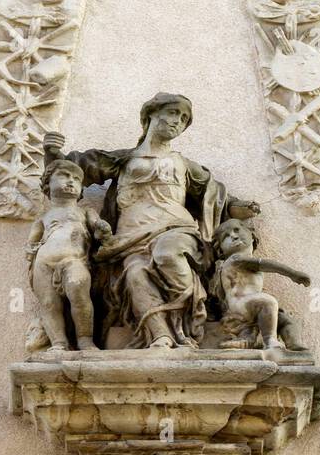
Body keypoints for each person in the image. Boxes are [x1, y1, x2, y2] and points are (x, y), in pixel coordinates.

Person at [43, 93, 259, 349]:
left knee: (167, 255)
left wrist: (238, 207)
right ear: (150, 116)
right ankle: (161, 336)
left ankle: (188, 325)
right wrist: (52, 152)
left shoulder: (183, 164)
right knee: (135, 275)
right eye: (172, 113)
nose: (177, 121)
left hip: (175, 227)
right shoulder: (124, 160)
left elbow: (214, 194)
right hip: (129, 235)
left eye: (183, 118)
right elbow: (72, 170)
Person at [26, 159, 113, 354]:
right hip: (43, 262)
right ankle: (59, 343)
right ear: (48, 184)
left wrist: (102, 231)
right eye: (64, 176)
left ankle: (85, 340)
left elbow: (97, 227)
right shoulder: (44, 217)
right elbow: (32, 242)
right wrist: (30, 251)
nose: (71, 181)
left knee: (78, 289)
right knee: (49, 303)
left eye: (76, 178)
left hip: (74, 259)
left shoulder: (84, 212)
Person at [210, 219, 309, 351]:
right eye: (226, 237)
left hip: (249, 306)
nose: (233, 236)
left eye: (237, 230)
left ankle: (293, 343)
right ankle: (270, 341)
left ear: (252, 235)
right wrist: (292, 273)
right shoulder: (235, 259)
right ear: (220, 249)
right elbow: (264, 264)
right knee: (268, 302)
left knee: (286, 320)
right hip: (240, 305)